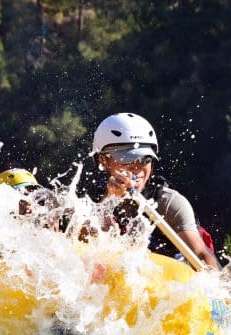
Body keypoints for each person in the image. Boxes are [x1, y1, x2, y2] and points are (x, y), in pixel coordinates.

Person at [87, 112, 220, 268]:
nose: (137, 168)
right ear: (103, 160)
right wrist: (111, 200)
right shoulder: (88, 201)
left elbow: (200, 254)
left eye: (145, 159)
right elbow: (84, 244)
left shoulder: (168, 203)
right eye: (126, 159)